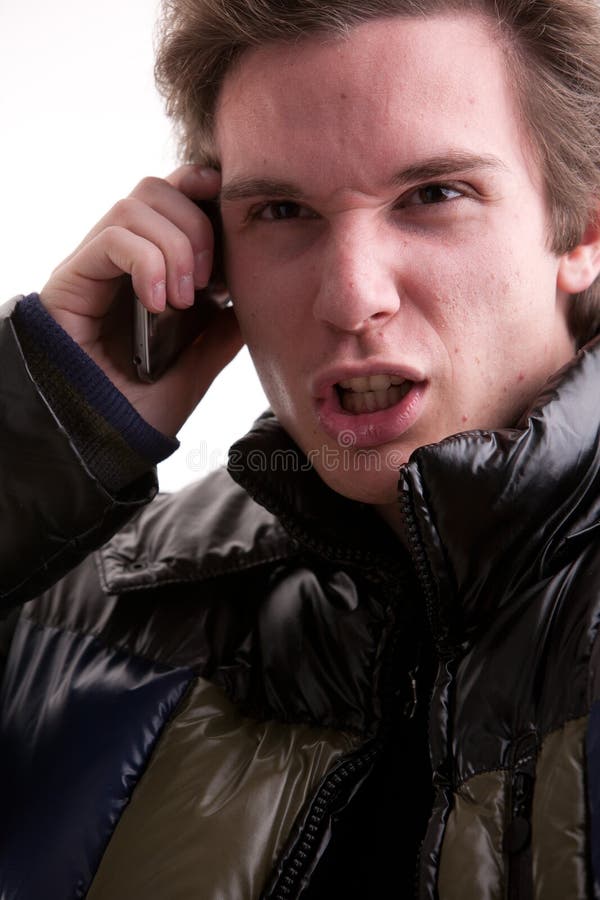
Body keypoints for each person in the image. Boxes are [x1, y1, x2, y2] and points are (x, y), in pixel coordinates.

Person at [2, 0, 600, 896]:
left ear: (584, 230)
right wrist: (40, 435)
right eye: (282, 210)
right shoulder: (79, 612)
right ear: (212, 258)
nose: (350, 298)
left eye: (433, 195)